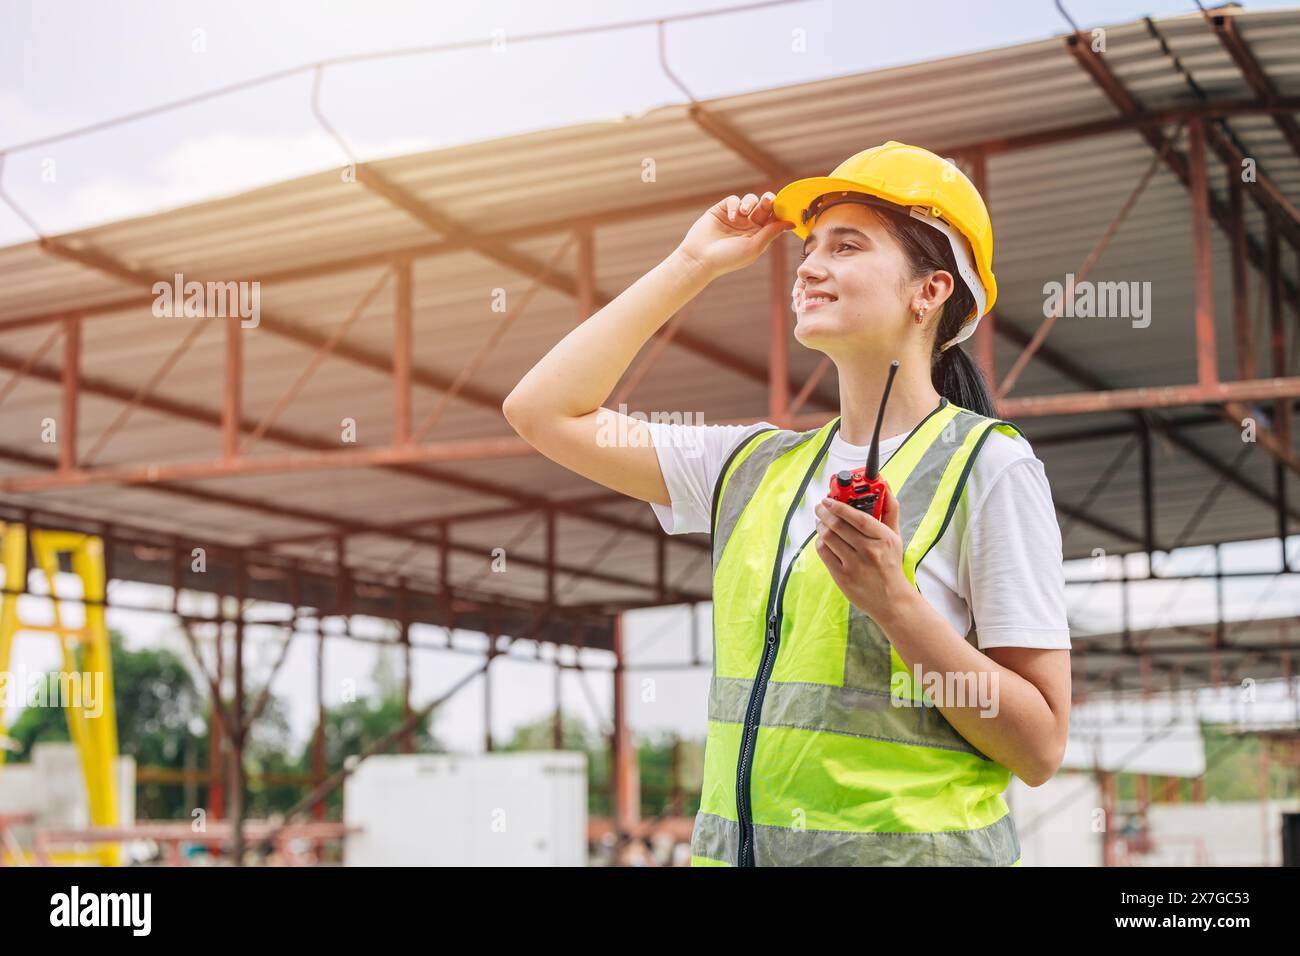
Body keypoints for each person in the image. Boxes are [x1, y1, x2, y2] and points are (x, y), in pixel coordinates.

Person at [503, 141, 1071, 866]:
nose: (808, 266)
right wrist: (692, 264)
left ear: (928, 291)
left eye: (847, 245)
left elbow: (1041, 744)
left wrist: (895, 604)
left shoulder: (988, 466)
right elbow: (541, 411)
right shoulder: (752, 465)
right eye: (809, 247)